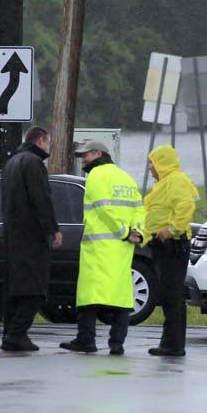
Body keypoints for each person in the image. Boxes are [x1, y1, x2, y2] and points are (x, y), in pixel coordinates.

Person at [61, 141, 145, 356]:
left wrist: (124, 231)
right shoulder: (125, 178)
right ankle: (117, 344)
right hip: (122, 250)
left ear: (99, 154)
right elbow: (139, 209)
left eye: (86, 155)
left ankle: (85, 340)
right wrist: (137, 232)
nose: (83, 160)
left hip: (98, 248)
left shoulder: (96, 176)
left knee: (89, 298)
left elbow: (104, 209)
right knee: (121, 298)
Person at [1, 126, 62, 352]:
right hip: (31, 236)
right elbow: (41, 199)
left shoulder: (12, 162)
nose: (49, 146)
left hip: (12, 235)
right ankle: (17, 333)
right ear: (40, 140)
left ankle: (10, 332)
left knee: (15, 288)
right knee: (35, 288)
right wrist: (52, 228)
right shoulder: (34, 163)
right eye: (48, 142)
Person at [140, 145, 198, 357]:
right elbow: (156, 213)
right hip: (161, 244)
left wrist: (171, 229)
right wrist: (145, 236)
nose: (149, 168)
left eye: (152, 163)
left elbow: (185, 207)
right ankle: (172, 343)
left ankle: (172, 345)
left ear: (162, 163)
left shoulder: (176, 180)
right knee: (169, 295)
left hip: (172, 245)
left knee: (171, 295)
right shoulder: (164, 183)